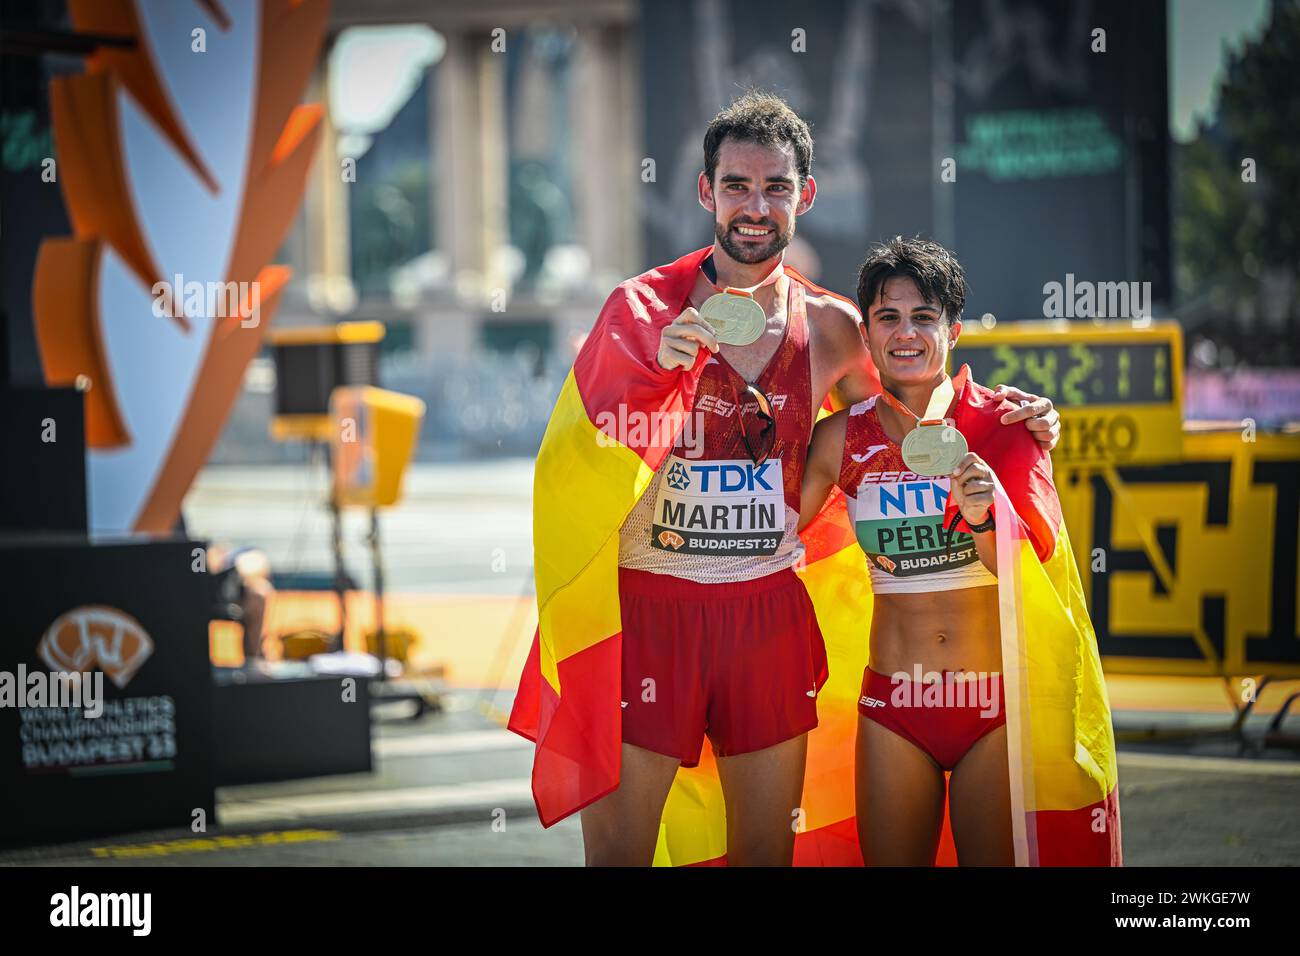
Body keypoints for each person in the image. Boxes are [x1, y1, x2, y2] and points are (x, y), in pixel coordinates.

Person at [511, 92, 1062, 867]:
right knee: (621, 858)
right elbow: (575, 463)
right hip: (650, 613)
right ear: (706, 192)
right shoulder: (638, 311)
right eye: (737, 185)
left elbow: (916, 412)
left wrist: (1016, 419)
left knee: (766, 856)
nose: (755, 206)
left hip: (765, 615)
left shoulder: (835, 328)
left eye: (776, 187)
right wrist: (649, 377)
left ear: (805, 195)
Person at [798, 237, 1120, 865]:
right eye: (888, 317)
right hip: (894, 705)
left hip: (994, 706)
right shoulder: (840, 438)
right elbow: (769, 536)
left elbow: (1038, 576)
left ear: (955, 330)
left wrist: (983, 517)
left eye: (924, 317)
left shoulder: (1006, 424)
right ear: (866, 334)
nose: (906, 333)